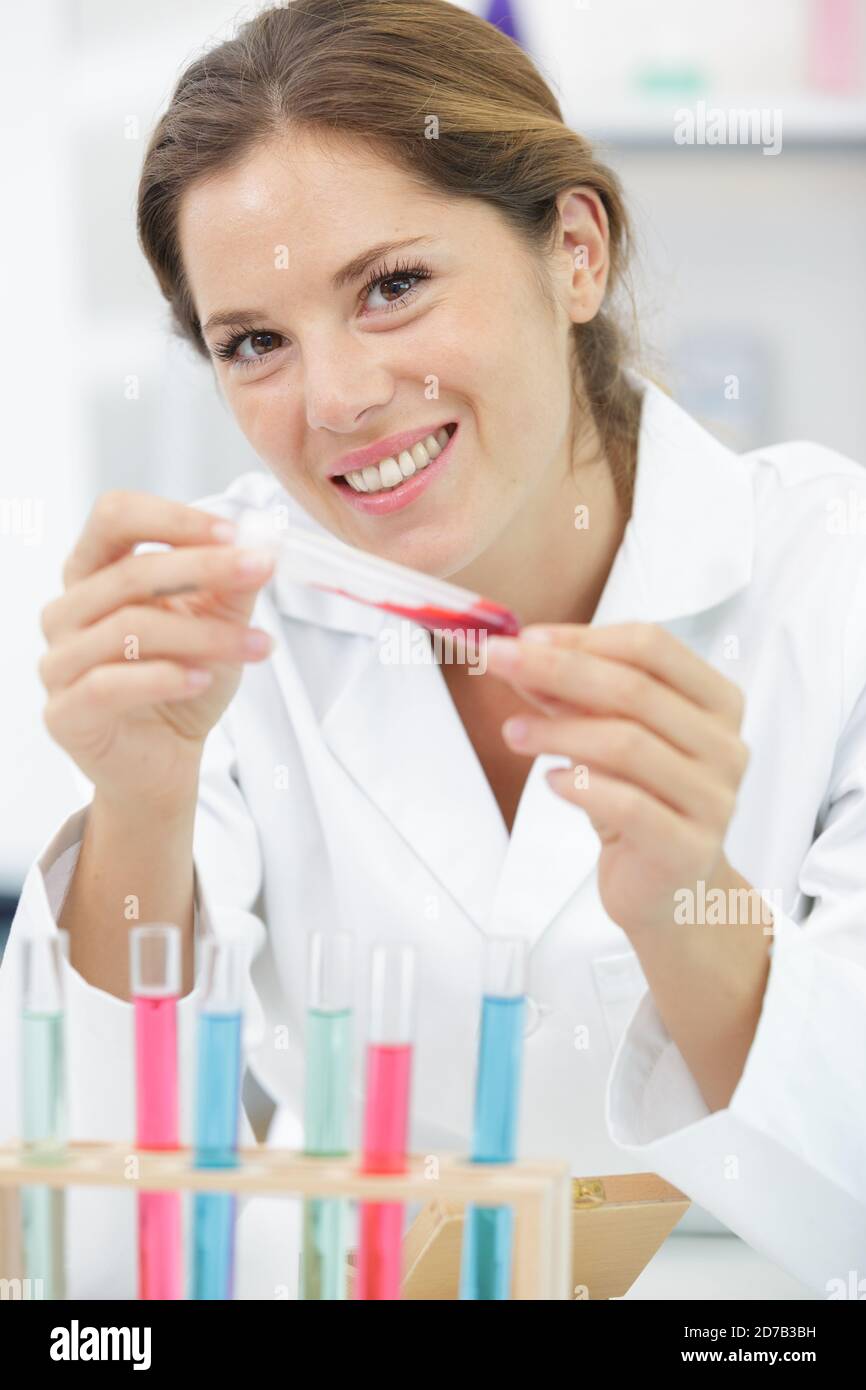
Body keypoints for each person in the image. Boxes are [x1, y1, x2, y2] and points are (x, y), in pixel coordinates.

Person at [3, 0, 866, 1298]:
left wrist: (695, 901)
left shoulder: (829, 580)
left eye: (392, 286)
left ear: (573, 251)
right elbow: (97, 1235)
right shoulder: (219, 620)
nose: (338, 398)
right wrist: (138, 796)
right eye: (255, 343)